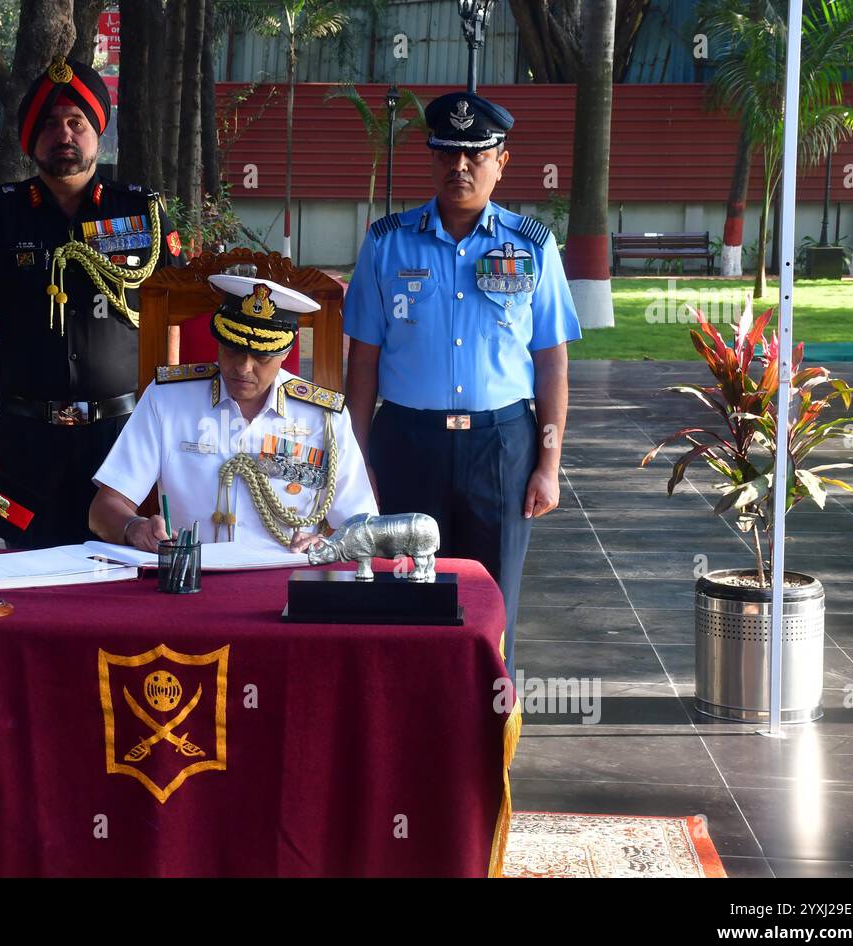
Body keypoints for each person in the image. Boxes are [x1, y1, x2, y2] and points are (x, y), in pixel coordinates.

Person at [342, 90, 582, 674]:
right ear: (431, 158)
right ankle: (407, 722)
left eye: (477, 154)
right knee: (403, 594)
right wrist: (358, 458)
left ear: (503, 160)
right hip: (407, 444)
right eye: (448, 153)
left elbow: (551, 363)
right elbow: (363, 363)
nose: (461, 167)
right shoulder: (386, 242)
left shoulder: (532, 246)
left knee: (492, 600)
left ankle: (488, 722)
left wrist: (548, 465)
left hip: (500, 446)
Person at [0, 55, 183, 548]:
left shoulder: (141, 212)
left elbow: (171, 325)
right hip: (24, 440)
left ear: (98, 131)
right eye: (51, 123)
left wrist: (167, 433)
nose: (65, 135)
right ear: (32, 137)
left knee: (123, 577)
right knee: (30, 578)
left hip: (122, 439)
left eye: (77, 122)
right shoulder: (1, 216)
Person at [90, 275, 377, 553]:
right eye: (231, 351)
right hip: (191, 573)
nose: (243, 368)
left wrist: (330, 545)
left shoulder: (323, 416)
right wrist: (134, 527)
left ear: (285, 352)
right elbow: (103, 509)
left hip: (285, 578)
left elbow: (363, 524)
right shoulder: (168, 399)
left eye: (261, 357)